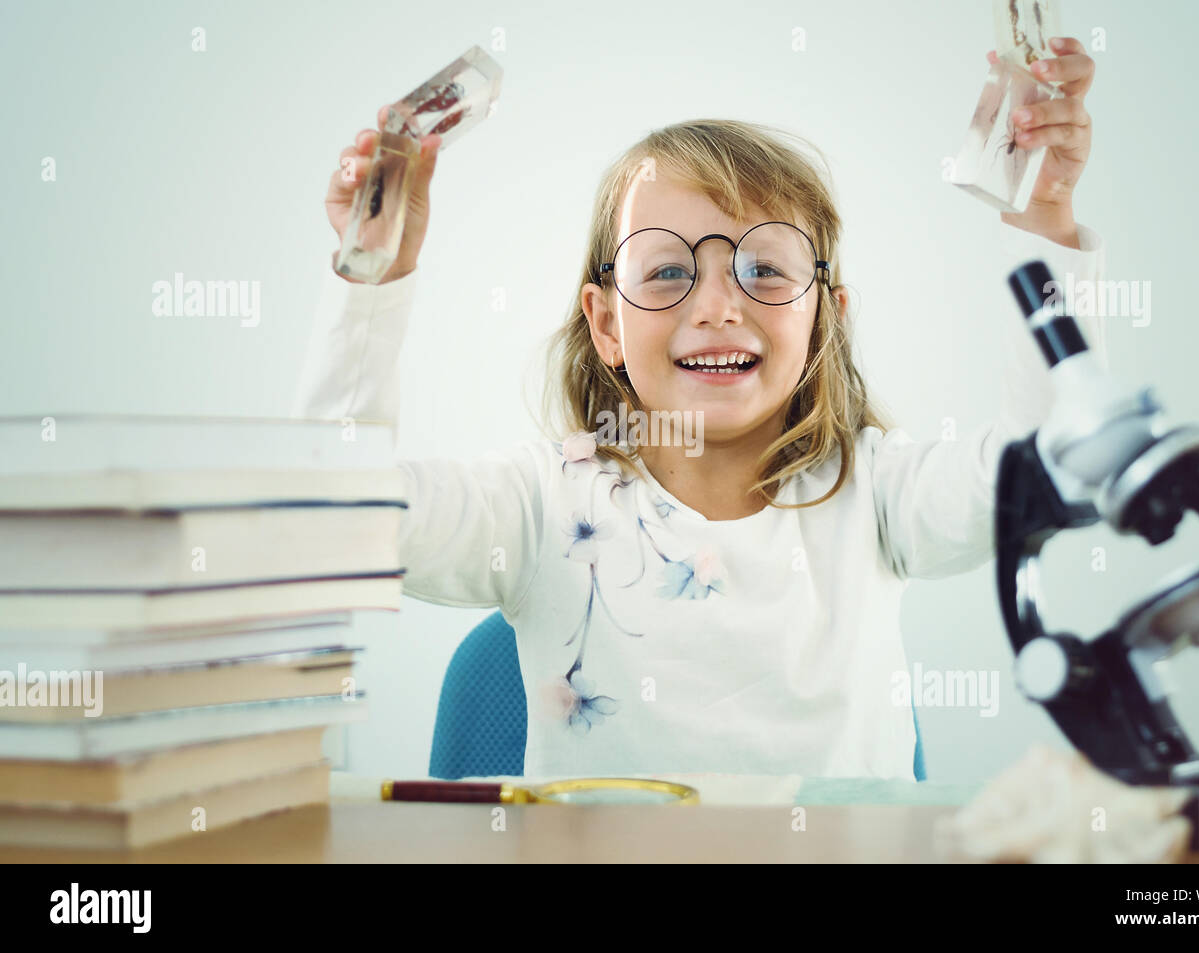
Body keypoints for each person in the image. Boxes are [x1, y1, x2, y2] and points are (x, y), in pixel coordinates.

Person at [295, 39, 1103, 779]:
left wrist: (1042, 219)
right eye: (666, 274)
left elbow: (1052, 461)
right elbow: (337, 515)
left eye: (763, 268)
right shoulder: (545, 505)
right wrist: (372, 277)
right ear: (606, 323)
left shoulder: (880, 494)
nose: (716, 305)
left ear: (825, 314)